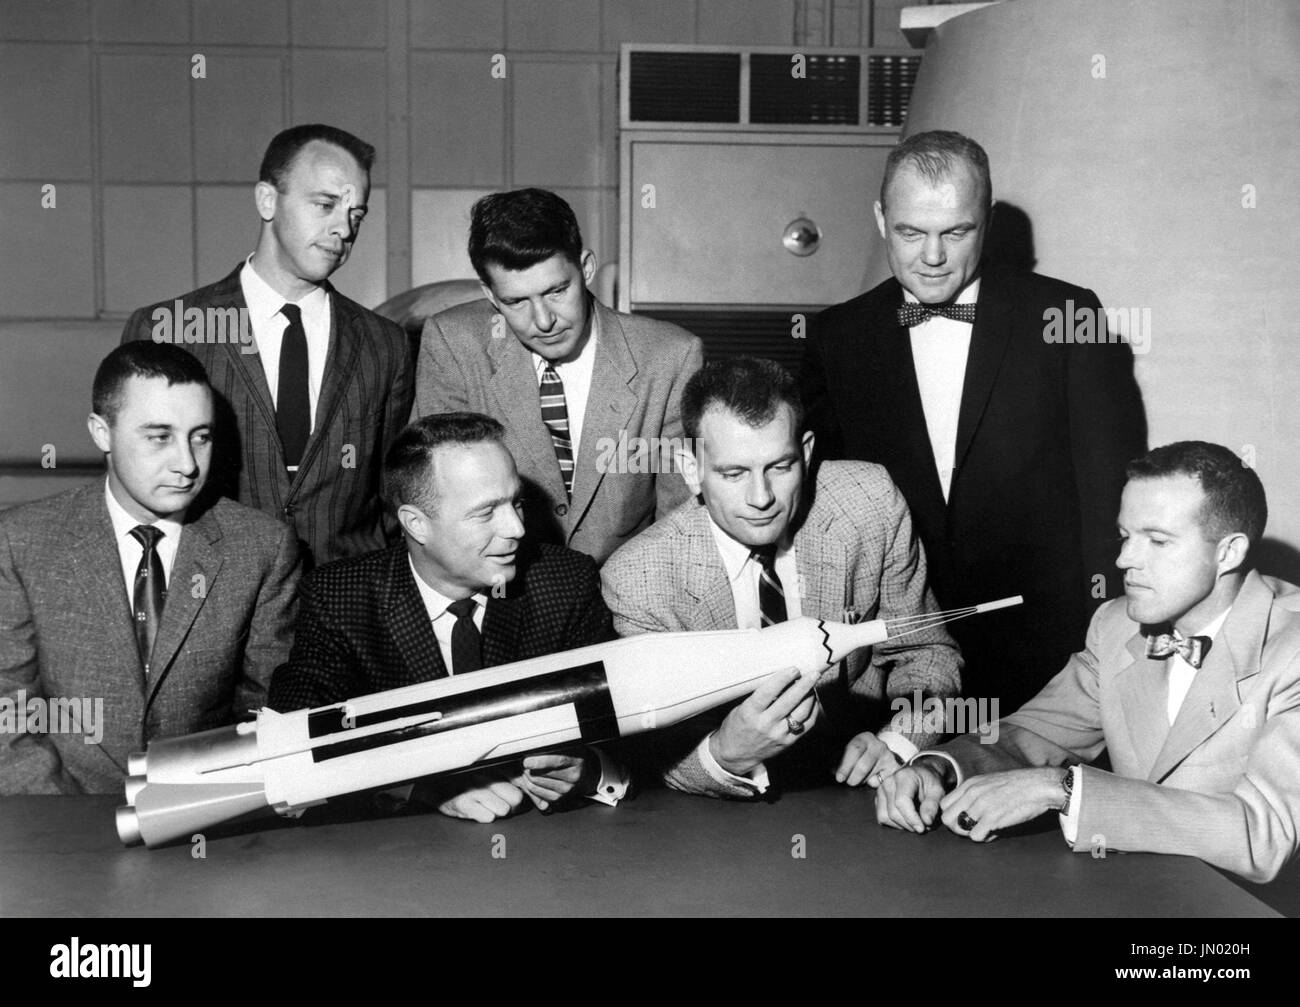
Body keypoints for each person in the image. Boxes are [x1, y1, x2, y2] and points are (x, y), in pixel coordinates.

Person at [801, 130, 1145, 712]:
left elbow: (1106, 490)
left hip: (1049, 656)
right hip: (896, 659)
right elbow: (828, 515)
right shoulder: (837, 338)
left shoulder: (1065, 316)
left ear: (985, 222)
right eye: (911, 232)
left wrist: (1106, 635)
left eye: (955, 232)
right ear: (881, 219)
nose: (932, 257)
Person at [877, 442, 1300, 883]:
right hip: (1136, 891)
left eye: (1157, 540)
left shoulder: (1294, 648)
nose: (1124, 560)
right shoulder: (1116, 624)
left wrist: (1063, 790)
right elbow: (1034, 732)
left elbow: (1264, 833)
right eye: (1125, 536)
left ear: (1228, 552)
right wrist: (940, 767)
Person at [601, 357, 961, 799]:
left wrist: (897, 742)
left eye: (781, 466)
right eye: (733, 473)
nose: (762, 498)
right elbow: (653, 751)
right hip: (723, 820)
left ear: (806, 453)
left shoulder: (869, 502)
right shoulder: (638, 578)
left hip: (867, 797)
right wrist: (726, 754)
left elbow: (927, 652)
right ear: (690, 467)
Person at [268, 412, 628, 823]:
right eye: (485, 512)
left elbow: (627, 730)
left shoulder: (565, 582)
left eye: (516, 503)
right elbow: (295, 744)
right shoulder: (340, 597)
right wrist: (418, 784)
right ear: (416, 524)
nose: (515, 528)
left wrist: (589, 769)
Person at [0, 342, 299, 794]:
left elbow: (263, 714)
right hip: (61, 815)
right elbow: (9, 706)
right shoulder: (22, 539)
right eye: (159, 436)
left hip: (203, 816)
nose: (186, 464)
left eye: (201, 436)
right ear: (102, 432)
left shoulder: (261, 547)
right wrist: (62, 819)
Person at [121, 123, 413, 570]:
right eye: (326, 204)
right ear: (267, 200)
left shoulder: (385, 343)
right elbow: (139, 488)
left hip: (346, 604)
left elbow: (392, 496)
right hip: (212, 599)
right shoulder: (170, 328)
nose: (344, 228)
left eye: (357, 213)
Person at [412, 187, 704, 565]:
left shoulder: (670, 357)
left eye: (556, 291)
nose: (544, 321)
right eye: (516, 302)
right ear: (490, 294)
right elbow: (437, 502)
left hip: (623, 596)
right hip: (499, 593)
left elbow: (681, 520)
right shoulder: (453, 342)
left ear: (585, 268)